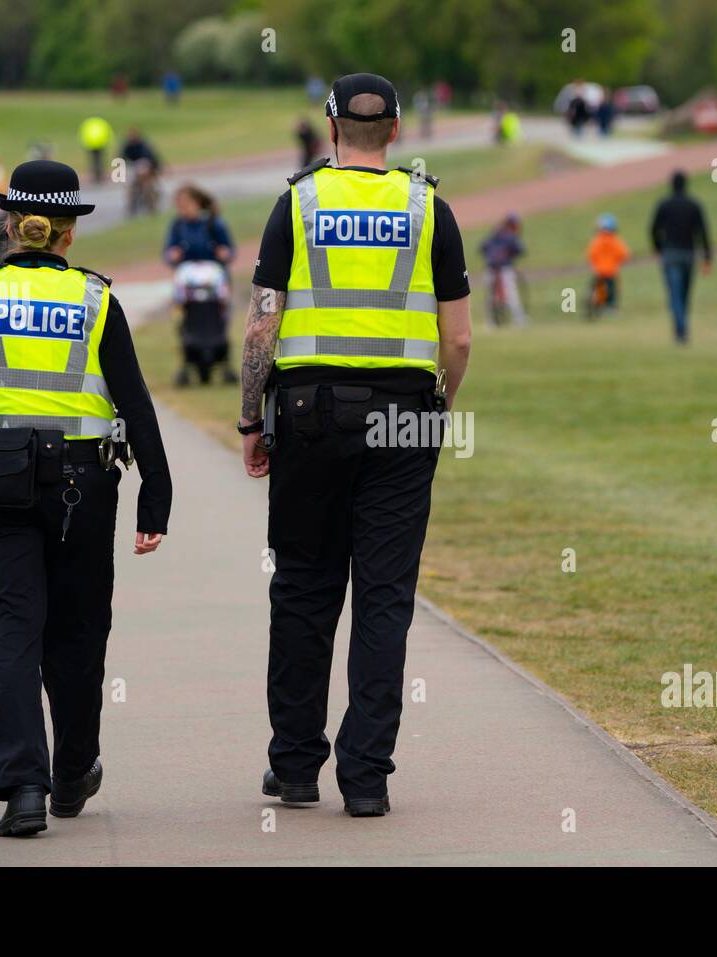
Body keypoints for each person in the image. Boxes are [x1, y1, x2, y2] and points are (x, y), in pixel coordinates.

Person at [239, 73, 471, 817]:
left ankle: (297, 764)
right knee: (384, 596)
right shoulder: (430, 207)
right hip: (407, 416)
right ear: (397, 130)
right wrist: (437, 408)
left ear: (331, 127)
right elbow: (458, 337)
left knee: (304, 587)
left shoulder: (297, 204)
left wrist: (252, 417)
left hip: (310, 414)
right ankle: (366, 777)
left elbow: (261, 327)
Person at [0, 160, 172, 837]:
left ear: (11, 226)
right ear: (67, 234)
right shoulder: (97, 301)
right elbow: (138, 407)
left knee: (12, 633)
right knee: (77, 632)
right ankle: (73, 772)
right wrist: (157, 497)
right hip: (83, 488)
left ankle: (23, 790)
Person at [164, 184, 236, 385]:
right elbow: (168, 251)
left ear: (197, 203)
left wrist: (225, 253)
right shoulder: (178, 226)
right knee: (182, 318)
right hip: (188, 282)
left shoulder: (214, 224)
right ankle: (187, 360)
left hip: (213, 280)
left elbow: (229, 249)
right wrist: (172, 255)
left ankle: (223, 360)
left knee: (220, 316)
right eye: (179, 205)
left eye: (185, 204)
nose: (182, 209)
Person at [650, 170, 712, 344]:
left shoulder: (664, 204)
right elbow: (703, 232)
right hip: (688, 254)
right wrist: (707, 257)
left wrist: (657, 247)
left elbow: (653, 228)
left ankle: (680, 330)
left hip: (670, 254)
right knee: (684, 293)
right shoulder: (694, 205)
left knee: (675, 294)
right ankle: (682, 329)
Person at [480, 213, 528, 327]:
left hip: (491, 269)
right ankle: (519, 320)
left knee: (491, 298)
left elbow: (483, 247)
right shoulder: (509, 236)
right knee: (511, 295)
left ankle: (491, 322)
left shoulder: (495, 234)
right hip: (503, 270)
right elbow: (520, 249)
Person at [586, 213, 629, 319]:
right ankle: (611, 308)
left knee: (599, 290)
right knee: (611, 291)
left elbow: (591, 254)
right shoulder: (615, 240)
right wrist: (617, 262)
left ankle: (597, 306)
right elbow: (624, 254)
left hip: (599, 271)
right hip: (611, 271)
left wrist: (595, 264)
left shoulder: (597, 240)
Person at [79, 116, 113, 184]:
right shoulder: (102, 124)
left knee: (95, 161)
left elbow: (83, 134)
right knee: (98, 161)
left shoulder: (88, 124)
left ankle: (97, 175)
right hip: (99, 144)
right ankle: (98, 175)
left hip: (92, 144)